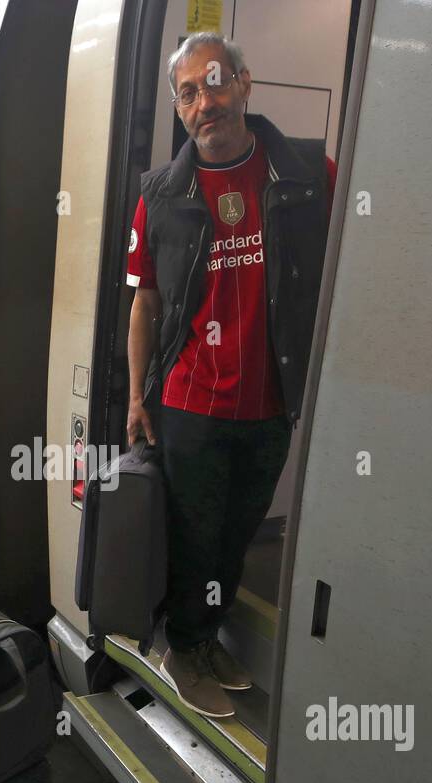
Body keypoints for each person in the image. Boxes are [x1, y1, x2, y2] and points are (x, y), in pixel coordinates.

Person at [125, 33, 336, 719]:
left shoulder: (309, 173)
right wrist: (137, 395)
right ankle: (182, 645)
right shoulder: (160, 194)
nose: (203, 102)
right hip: (191, 403)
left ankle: (206, 638)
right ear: (179, 108)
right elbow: (145, 304)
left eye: (214, 83)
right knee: (196, 536)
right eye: (187, 92)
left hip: (271, 402)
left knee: (240, 531)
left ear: (244, 83)